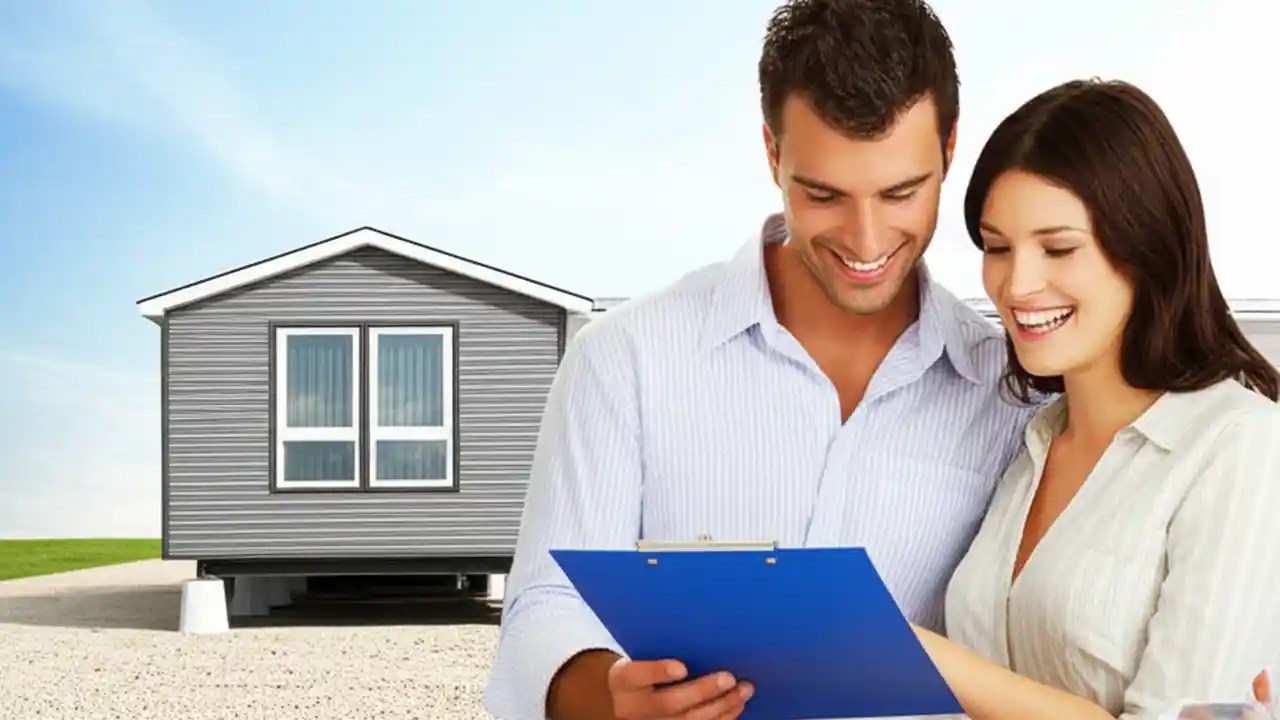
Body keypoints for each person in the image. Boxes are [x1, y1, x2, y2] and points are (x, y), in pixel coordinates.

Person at [482, 1, 1038, 718]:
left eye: (901, 192)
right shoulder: (626, 359)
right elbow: (544, 605)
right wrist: (612, 697)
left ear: (950, 148)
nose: (867, 240)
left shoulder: (1010, 393)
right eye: (824, 194)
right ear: (773, 154)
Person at [906, 78, 1280, 718]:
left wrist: (928, 658)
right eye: (997, 248)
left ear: (1145, 249)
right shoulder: (1033, 441)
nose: (1017, 284)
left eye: (1058, 248)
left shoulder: (1239, 446)